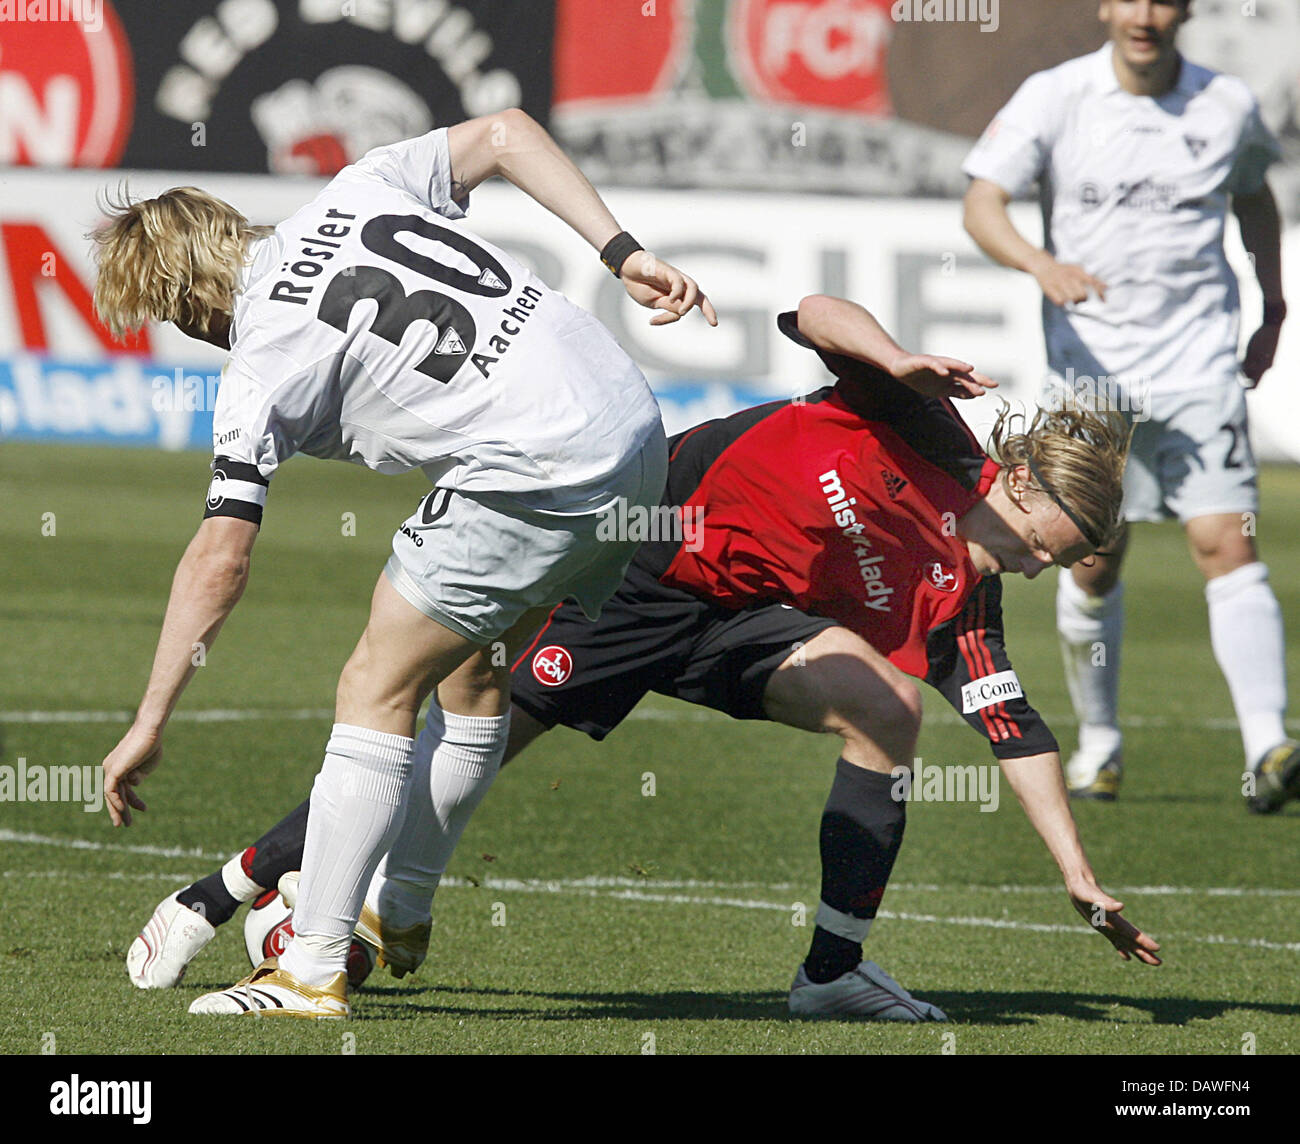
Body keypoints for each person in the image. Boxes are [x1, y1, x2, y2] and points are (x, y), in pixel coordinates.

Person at [128, 295, 1161, 1021]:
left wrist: (1078, 874)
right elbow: (810, 310)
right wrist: (891, 356)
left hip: (746, 618)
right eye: (1052, 550)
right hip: (636, 561)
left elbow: (1012, 724)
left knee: (889, 712)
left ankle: (831, 972)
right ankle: (216, 895)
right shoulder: (927, 428)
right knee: (464, 744)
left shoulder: (965, 596)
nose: (1040, 569)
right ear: (1025, 488)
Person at [94, 108, 717, 1019]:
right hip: (630, 425)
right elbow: (505, 132)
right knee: (470, 662)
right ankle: (404, 905)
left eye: (162, 312)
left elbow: (218, 557)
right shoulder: (358, 189)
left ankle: (308, 970)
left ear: (185, 299)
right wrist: (622, 252)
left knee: (375, 681)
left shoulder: (262, 356)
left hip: (538, 464)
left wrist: (149, 718)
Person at [962, 0, 1296, 809]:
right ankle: (1100, 747)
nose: (1145, 15)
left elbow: (1254, 199)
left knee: (1225, 543)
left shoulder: (1226, 105)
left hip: (1199, 366)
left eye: (1163, 1)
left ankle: (1270, 749)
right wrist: (1041, 265)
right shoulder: (1056, 95)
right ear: (1105, 8)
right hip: (1091, 377)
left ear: (1184, 11)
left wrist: (1273, 303)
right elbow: (982, 203)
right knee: (1095, 561)